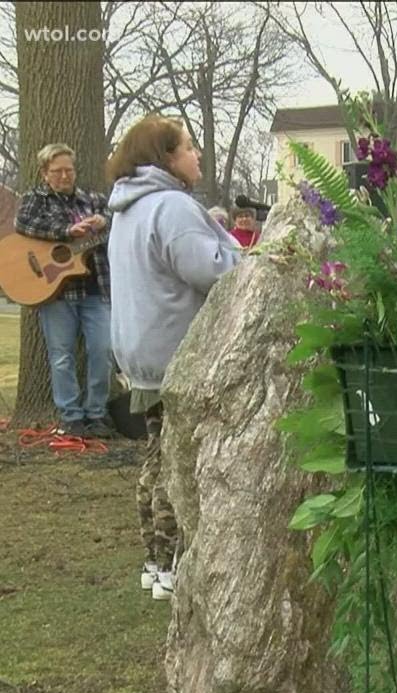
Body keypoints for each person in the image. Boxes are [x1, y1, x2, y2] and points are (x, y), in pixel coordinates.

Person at [107, 116, 243, 600]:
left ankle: (154, 560)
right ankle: (172, 565)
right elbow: (211, 270)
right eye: (188, 147)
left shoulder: (129, 206)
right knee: (176, 464)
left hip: (143, 352)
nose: (197, 154)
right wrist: (249, 257)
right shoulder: (171, 205)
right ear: (164, 157)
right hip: (176, 354)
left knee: (156, 456)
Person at [15, 143, 114, 438]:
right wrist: (65, 232)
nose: (64, 176)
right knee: (61, 356)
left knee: (103, 350)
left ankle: (97, 413)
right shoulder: (36, 199)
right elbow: (23, 223)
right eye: (57, 171)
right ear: (44, 173)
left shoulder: (92, 199)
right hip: (55, 291)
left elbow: (119, 220)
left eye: (68, 170)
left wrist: (105, 221)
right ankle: (71, 417)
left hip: (95, 289)